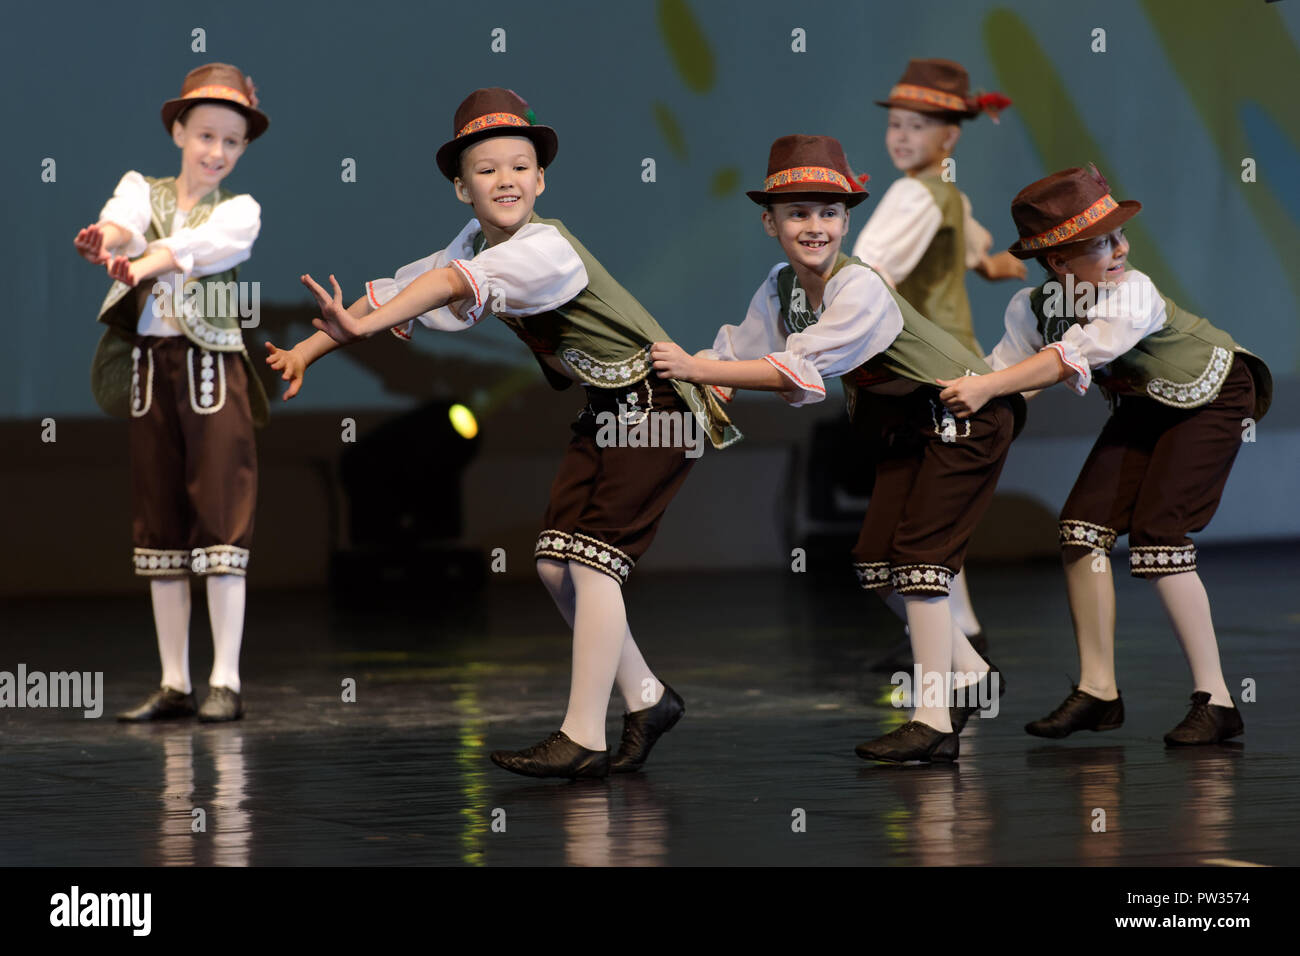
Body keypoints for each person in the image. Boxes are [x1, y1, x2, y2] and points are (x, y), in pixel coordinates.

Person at [265, 88, 739, 778]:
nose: (506, 180)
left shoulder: (545, 249)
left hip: (661, 402)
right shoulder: (472, 243)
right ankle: (648, 697)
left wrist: (368, 326)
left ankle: (583, 733)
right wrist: (306, 353)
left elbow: (452, 284)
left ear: (541, 179)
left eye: (520, 166)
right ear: (462, 189)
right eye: (486, 170)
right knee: (555, 563)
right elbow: (397, 287)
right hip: (609, 407)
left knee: (594, 560)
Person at [652, 135, 1023, 763]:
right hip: (911, 425)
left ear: (847, 220)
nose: (814, 226)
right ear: (769, 222)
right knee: (876, 560)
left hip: (966, 412)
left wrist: (693, 369)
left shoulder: (861, 290)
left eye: (829, 212)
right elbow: (743, 351)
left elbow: (797, 372)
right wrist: (699, 370)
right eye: (797, 213)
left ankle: (933, 716)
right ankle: (973, 671)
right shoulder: (780, 288)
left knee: (920, 560)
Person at [938, 165, 1272, 745]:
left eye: (1118, 235)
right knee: (1080, 530)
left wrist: (990, 389)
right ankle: (1098, 691)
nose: (1120, 248)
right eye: (1100, 243)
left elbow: (1071, 358)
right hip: (1149, 403)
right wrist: (952, 411)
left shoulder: (1132, 292)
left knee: (1158, 535)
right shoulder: (1032, 308)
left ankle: (1217, 700)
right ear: (1060, 262)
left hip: (1213, 392)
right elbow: (1008, 376)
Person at [75, 63, 270, 723]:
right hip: (151, 368)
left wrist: (145, 260)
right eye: (206, 134)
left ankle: (225, 680)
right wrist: (109, 239)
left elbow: (198, 248)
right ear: (179, 130)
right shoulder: (143, 189)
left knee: (220, 517)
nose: (217, 151)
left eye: (232, 141)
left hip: (214, 369)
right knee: (158, 521)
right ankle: (175, 681)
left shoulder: (238, 211)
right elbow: (124, 223)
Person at [852, 57, 1024, 665]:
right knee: (938, 514)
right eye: (894, 125)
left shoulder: (913, 195)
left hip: (929, 374)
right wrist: (1006, 263)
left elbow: (869, 275)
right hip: (957, 368)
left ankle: (956, 650)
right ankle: (962, 633)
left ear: (949, 136)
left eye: (916, 126)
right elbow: (985, 253)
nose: (900, 137)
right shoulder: (947, 194)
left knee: (918, 522)